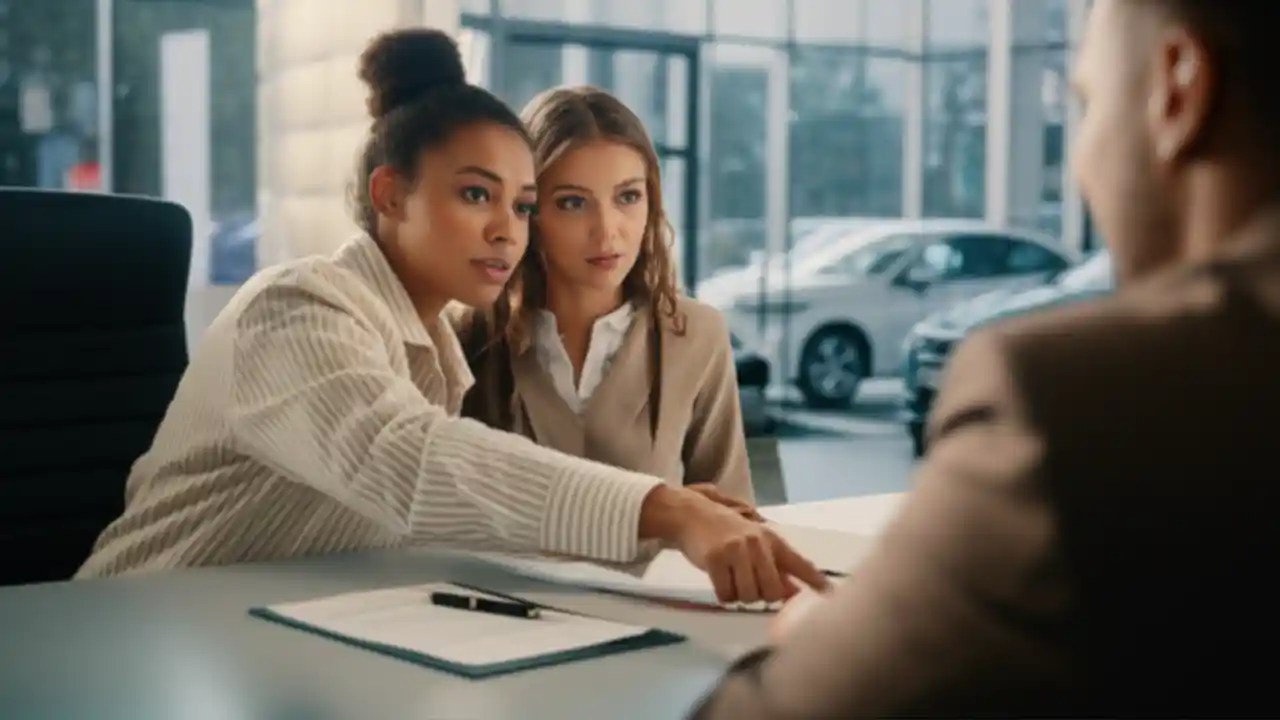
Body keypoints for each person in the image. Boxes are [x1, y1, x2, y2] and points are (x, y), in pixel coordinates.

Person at [76, 30, 827, 607]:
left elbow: (453, 519)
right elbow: (408, 460)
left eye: (524, 205)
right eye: (476, 195)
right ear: (391, 194)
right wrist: (665, 509)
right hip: (125, 628)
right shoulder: (296, 308)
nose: (508, 229)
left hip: (264, 632)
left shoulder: (436, 356)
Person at [693, 1, 1280, 716]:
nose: (1078, 172)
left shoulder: (1073, 404)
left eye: (1089, 104)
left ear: (1178, 88)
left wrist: (819, 639)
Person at [455, 86, 756, 524]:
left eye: (628, 197)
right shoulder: (469, 335)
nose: (607, 232)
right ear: (527, 211)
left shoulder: (697, 334)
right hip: (502, 591)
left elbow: (736, 520)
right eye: (573, 203)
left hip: (657, 592)